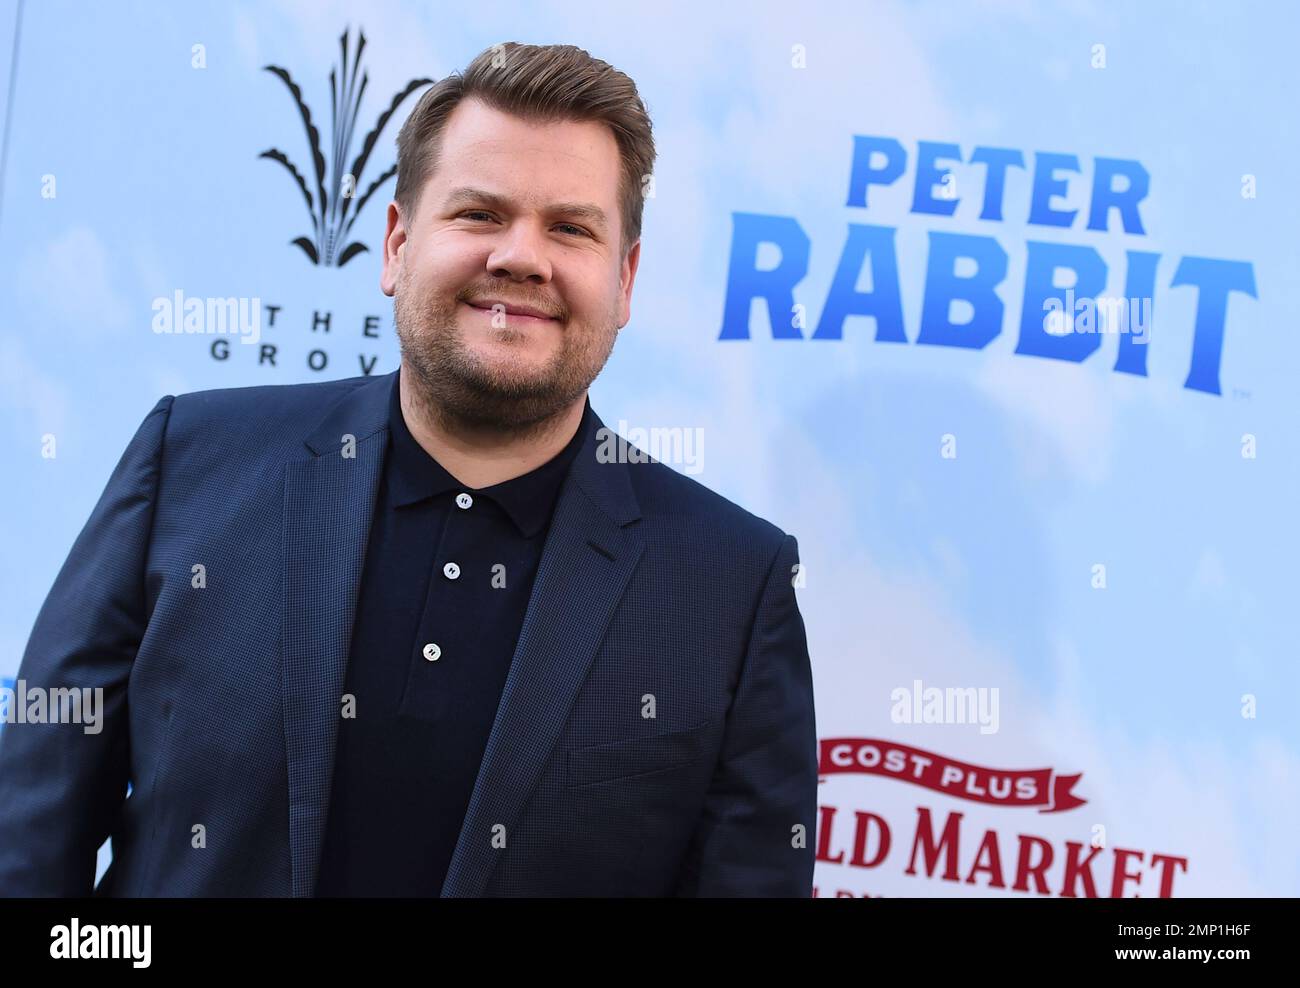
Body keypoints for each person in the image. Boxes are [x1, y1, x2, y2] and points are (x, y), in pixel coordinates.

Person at [0, 41, 818, 897]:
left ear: (624, 281)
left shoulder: (730, 586)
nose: (522, 258)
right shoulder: (192, 462)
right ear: (396, 245)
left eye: (570, 228)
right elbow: (31, 832)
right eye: (479, 214)